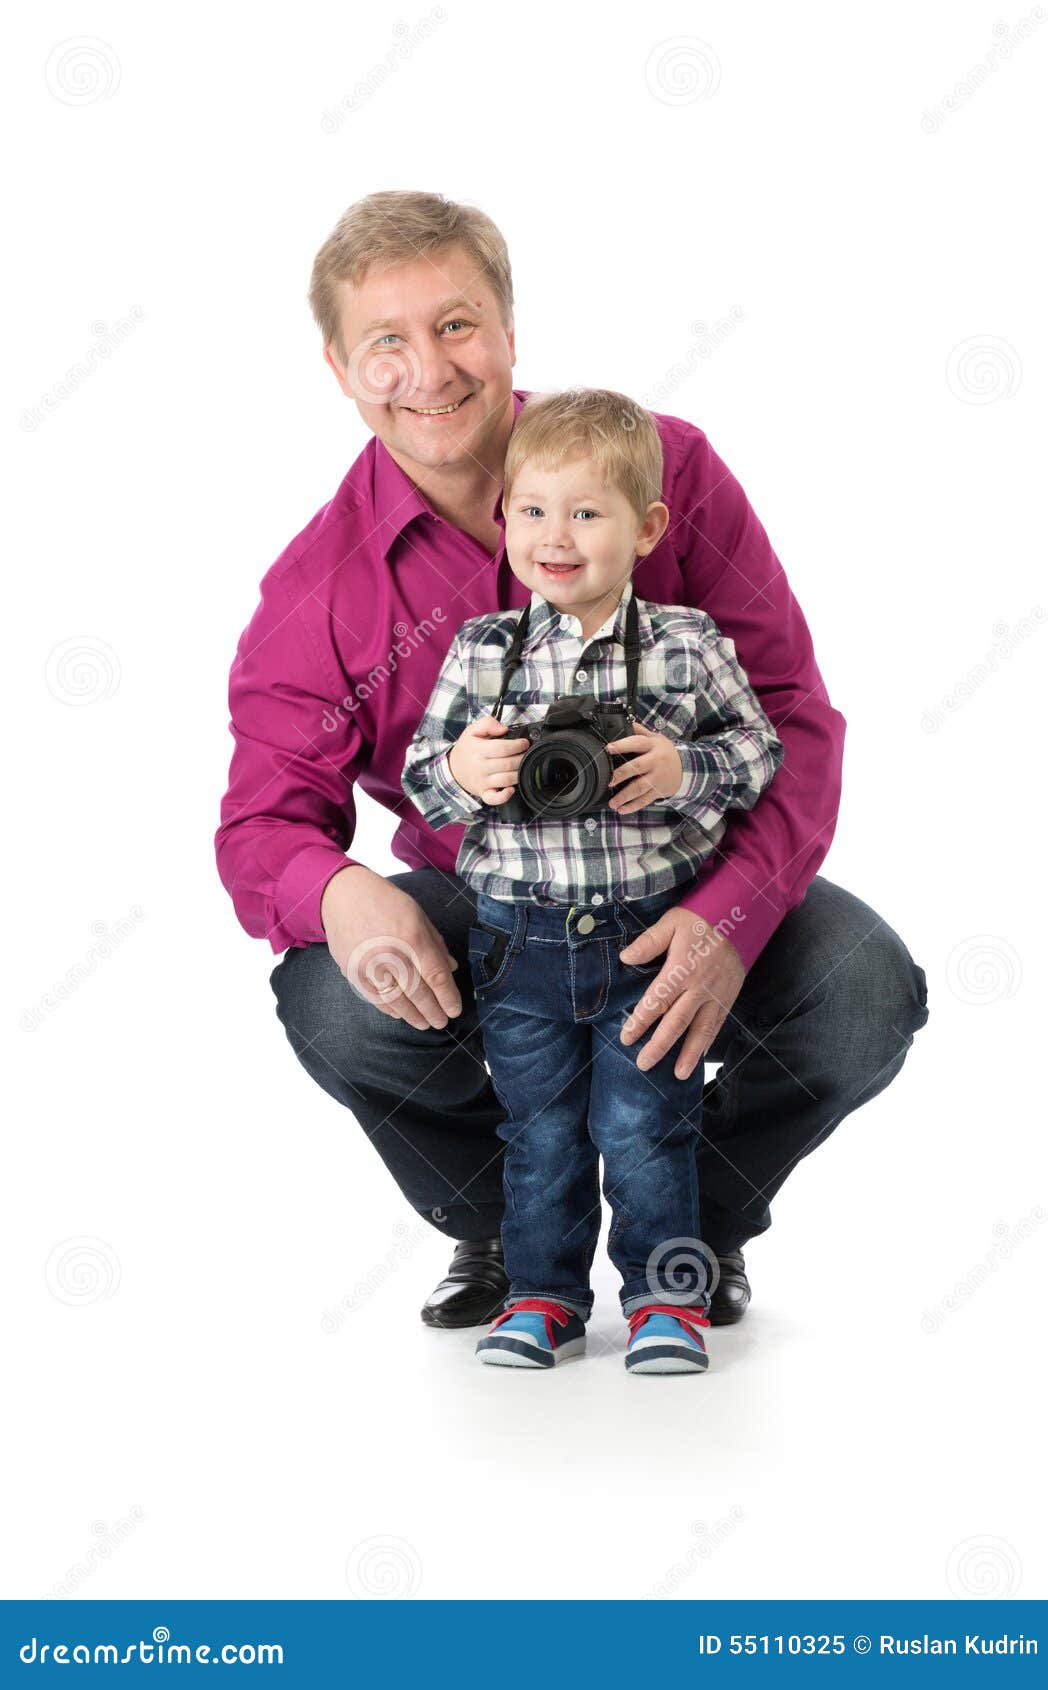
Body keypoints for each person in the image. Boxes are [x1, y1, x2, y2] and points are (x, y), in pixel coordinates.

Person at [214, 190, 930, 1335]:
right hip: (491, 897)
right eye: (384, 342)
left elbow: (790, 718)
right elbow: (259, 826)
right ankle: (510, 1235)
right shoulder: (321, 590)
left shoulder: (668, 472)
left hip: (678, 869)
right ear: (339, 367)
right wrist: (338, 893)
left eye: (455, 325)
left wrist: (729, 915)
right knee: (331, 999)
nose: (429, 370)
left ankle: (689, 1231)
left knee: (859, 990)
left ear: (506, 330)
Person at [400, 388, 784, 1372]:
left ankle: (666, 1302)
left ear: (645, 526)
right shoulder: (482, 652)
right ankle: (543, 1298)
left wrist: (677, 770)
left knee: (647, 1124)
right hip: (514, 939)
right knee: (538, 1133)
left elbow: (757, 753)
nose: (554, 536)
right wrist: (463, 776)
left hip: (644, 933)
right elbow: (418, 785)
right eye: (531, 510)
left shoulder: (687, 644)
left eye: (585, 512)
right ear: (503, 521)